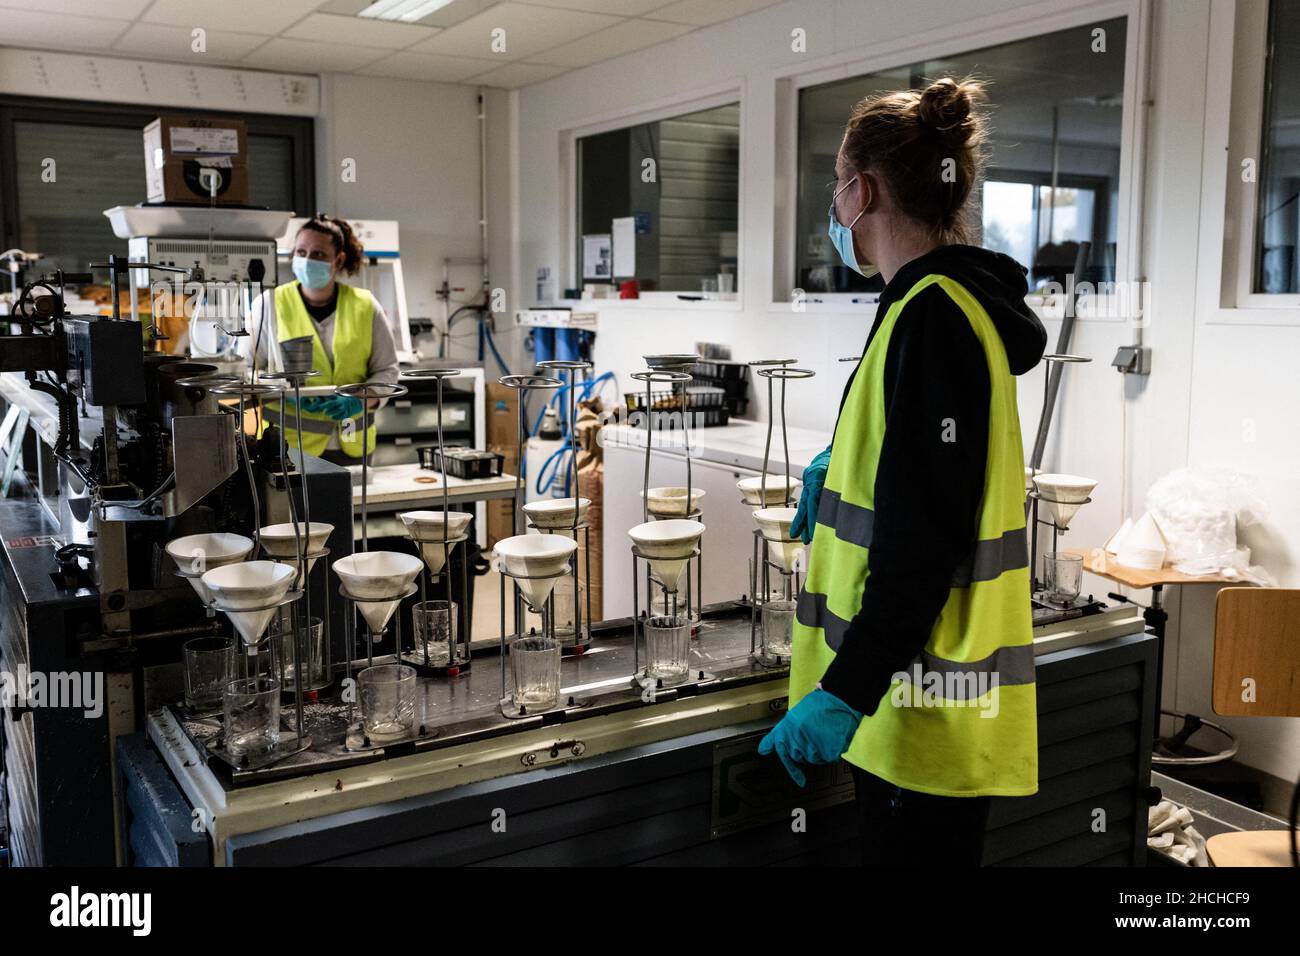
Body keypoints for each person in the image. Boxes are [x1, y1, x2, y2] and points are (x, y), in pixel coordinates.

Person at [759, 77, 1047, 866]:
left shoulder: (935, 318)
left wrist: (843, 693)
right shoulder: (929, 304)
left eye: (837, 186)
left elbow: (923, 543)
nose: (835, 205)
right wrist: (843, 465)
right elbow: (918, 467)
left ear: (866, 190)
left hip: (923, 704)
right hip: (910, 700)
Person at [242, 214, 400, 465]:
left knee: (349, 504)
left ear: (338, 260)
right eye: (301, 252)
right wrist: (284, 390)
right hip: (289, 445)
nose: (306, 260)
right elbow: (247, 371)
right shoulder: (268, 304)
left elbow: (387, 371)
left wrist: (362, 398)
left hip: (352, 442)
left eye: (318, 254)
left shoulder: (365, 306)